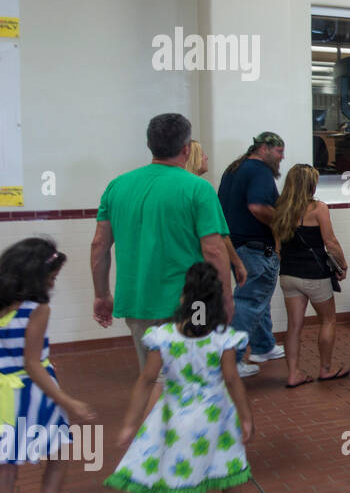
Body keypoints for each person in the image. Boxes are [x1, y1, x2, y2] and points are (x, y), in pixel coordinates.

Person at [104, 262, 257, 493]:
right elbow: (231, 379)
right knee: (230, 468)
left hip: (174, 419)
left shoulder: (164, 337)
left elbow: (147, 379)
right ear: (215, 301)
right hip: (216, 416)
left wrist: (130, 424)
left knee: (165, 489)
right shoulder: (222, 339)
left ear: (185, 297)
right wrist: (246, 416)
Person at [92, 113, 235, 373]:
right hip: (193, 303)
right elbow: (214, 250)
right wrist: (226, 298)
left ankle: (155, 414)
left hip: (138, 302)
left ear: (150, 146)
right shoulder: (198, 189)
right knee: (194, 375)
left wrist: (102, 295)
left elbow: (99, 247)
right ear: (186, 148)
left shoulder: (117, 187)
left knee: (152, 378)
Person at [0, 239, 95, 493]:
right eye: (52, 276)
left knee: (4, 478)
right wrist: (68, 401)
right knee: (59, 452)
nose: (54, 282)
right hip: (29, 395)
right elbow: (32, 365)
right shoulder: (36, 309)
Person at [271, 164, 349, 388]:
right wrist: (342, 265)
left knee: (294, 326)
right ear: (311, 185)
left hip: (288, 275)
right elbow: (330, 242)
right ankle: (326, 369)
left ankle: (293, 374)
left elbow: (277, 247)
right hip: (315, 276)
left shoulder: (280, 209)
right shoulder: (318, 208)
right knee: (328, 320)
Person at [218, 131, 287, 378]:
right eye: (279, 151)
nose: (282, 157)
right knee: (249, 303)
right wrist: (283, 221)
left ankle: (263, 346)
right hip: (256, 246)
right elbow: (257, 206)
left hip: (236, 245)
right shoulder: (259, 171)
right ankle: (233, 361)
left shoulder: (234, 169)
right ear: (264, 149)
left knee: (258, 299)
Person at [184, 140, 247, 289]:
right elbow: (219, 234)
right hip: (196, 268)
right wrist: (237, 263)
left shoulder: (176, 189)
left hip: (176, 268)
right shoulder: (201, 189)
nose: (206, 157)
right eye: (202, 154)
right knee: (197, 310)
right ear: (192, 158)